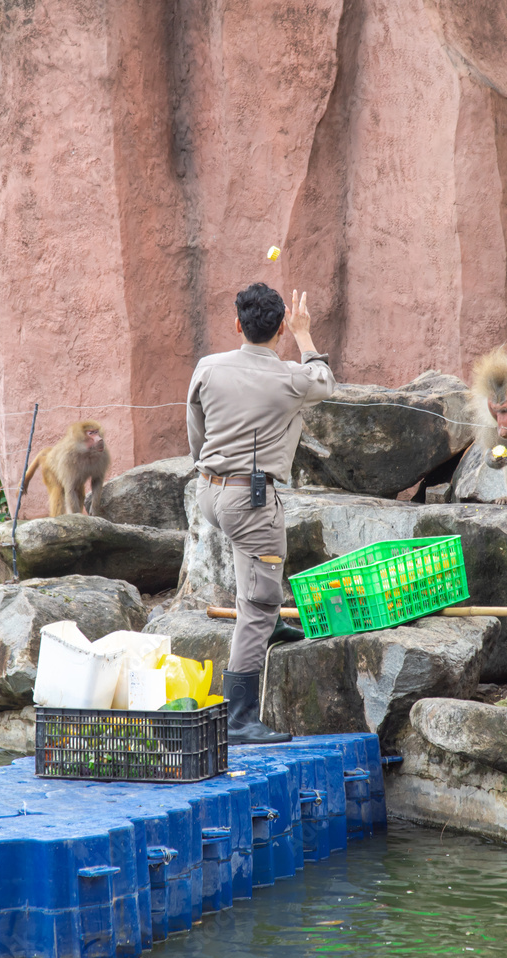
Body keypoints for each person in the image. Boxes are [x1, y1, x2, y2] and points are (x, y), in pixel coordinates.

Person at [186, 282, 336, 744]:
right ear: (281, 330)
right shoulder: (290, 376)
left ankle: (267, 626)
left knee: (249, 568)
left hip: (209, 490)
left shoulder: (207, 368)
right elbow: (327, 384)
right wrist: (306, 335)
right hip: (250, 501)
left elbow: (196, 429)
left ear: (237, 325)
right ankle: (238, 720)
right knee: (259, 601)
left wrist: (209, 472)